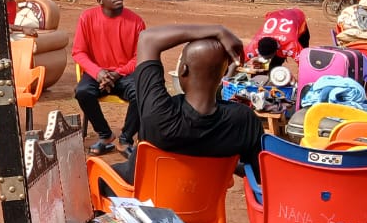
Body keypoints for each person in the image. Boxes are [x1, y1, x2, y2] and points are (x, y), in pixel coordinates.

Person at [109, 23, 263, 186]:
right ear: (224, 74)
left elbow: (148, 39)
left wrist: (218, 30)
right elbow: (259, 173)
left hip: (145, 205)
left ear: (183, 69)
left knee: (96, 178)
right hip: (201, 208)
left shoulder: (159, 111)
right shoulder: (243, 121)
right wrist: (225, 163)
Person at [73, 0, 145, 155]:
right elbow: (78, 52)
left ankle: (125, 139)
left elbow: (140, 56)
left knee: (142, 93)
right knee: (82, 92)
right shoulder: (87, 18)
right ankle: (105, 135)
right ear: (100, 0)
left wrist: (117, 74)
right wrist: (98, 73)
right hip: (97, 73)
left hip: (125, 75)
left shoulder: (136, 21)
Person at [243, 7, 310, 68]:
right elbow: (240, 59)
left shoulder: (291, 44)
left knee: (302, 56)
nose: (267, 60)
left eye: (269, 57)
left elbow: (305, 63)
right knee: (271, 64)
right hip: (277, 16)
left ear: (277, 49)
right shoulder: (255, 42)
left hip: (297, 17)